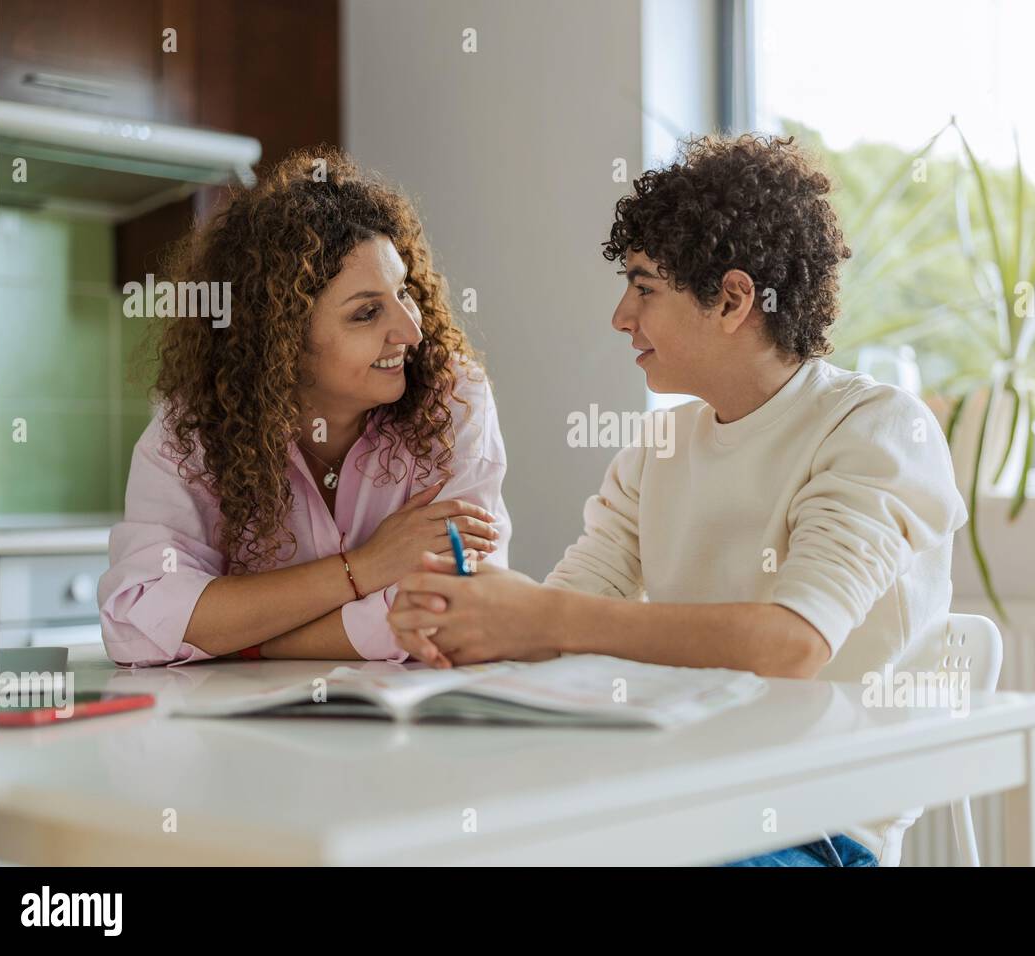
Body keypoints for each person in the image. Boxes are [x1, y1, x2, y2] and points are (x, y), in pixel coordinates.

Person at [389, 134, 969, 866]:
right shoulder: (656, 450)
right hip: (668, 796)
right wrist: (468, 619)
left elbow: (790, 646)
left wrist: (541, 616)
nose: (620, 317)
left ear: (731, 300)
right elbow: (559, 624)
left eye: (644, 288)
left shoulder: (879, 430)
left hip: (813, 825)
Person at [98, 149, 510, 667]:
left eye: (403, 292)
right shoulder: (198, 426)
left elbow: (455, 610)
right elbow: (139, 620)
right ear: (280, 340)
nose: (411, 329)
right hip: (236, 729)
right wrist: (365, 567)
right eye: (366, 313)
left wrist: (250, 639)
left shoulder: (452, 400)